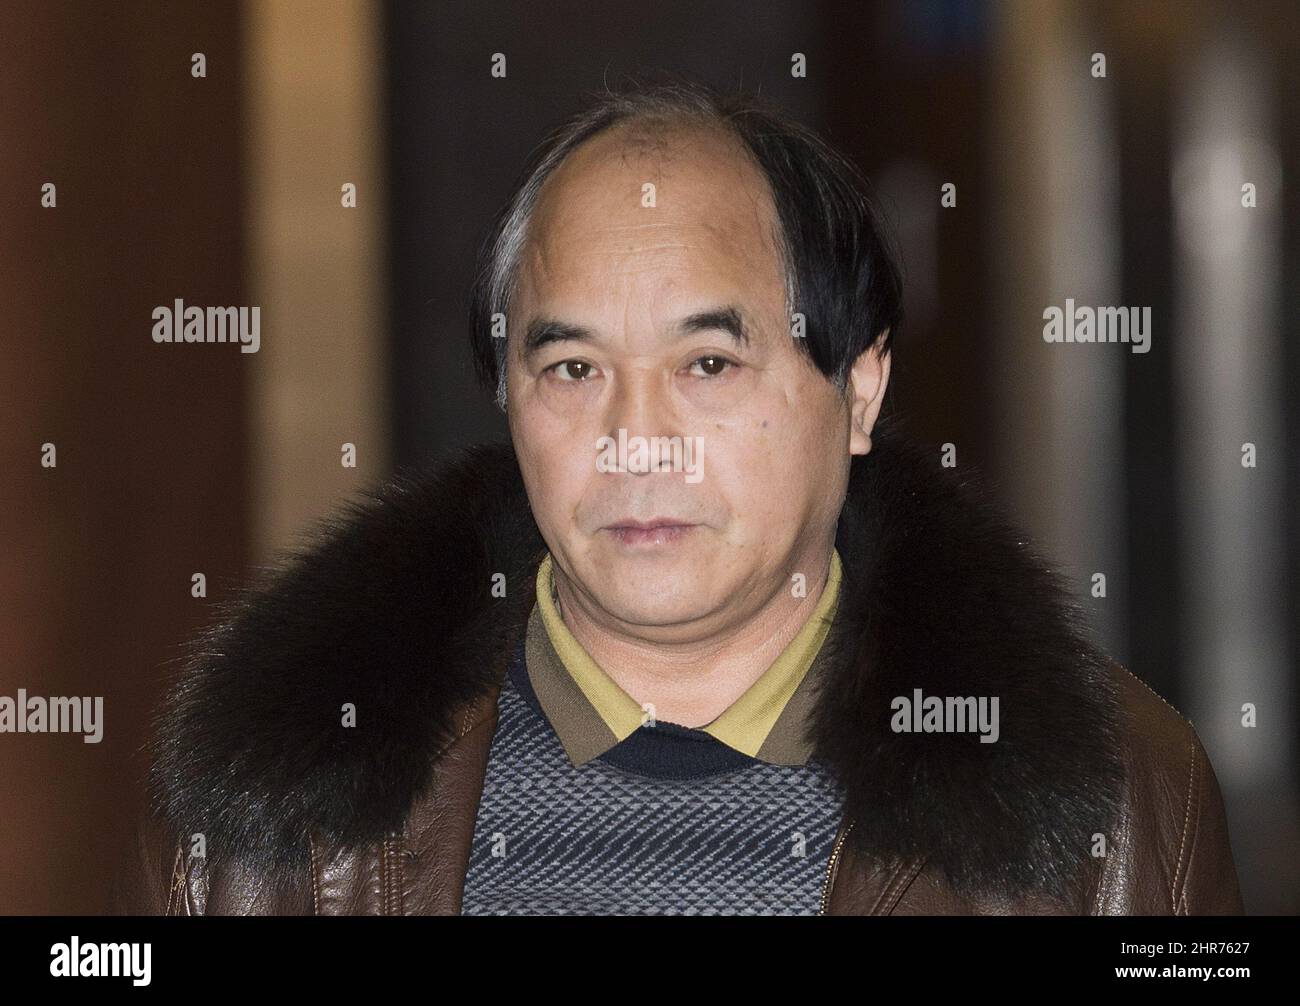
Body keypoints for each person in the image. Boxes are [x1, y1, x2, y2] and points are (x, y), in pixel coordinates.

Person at [111, 80, 1244, 915]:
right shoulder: (273, 809)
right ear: (506, 396)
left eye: (707, 364)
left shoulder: (1115, 799)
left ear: (858, 389)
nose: (636, 439)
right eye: (572, 370)